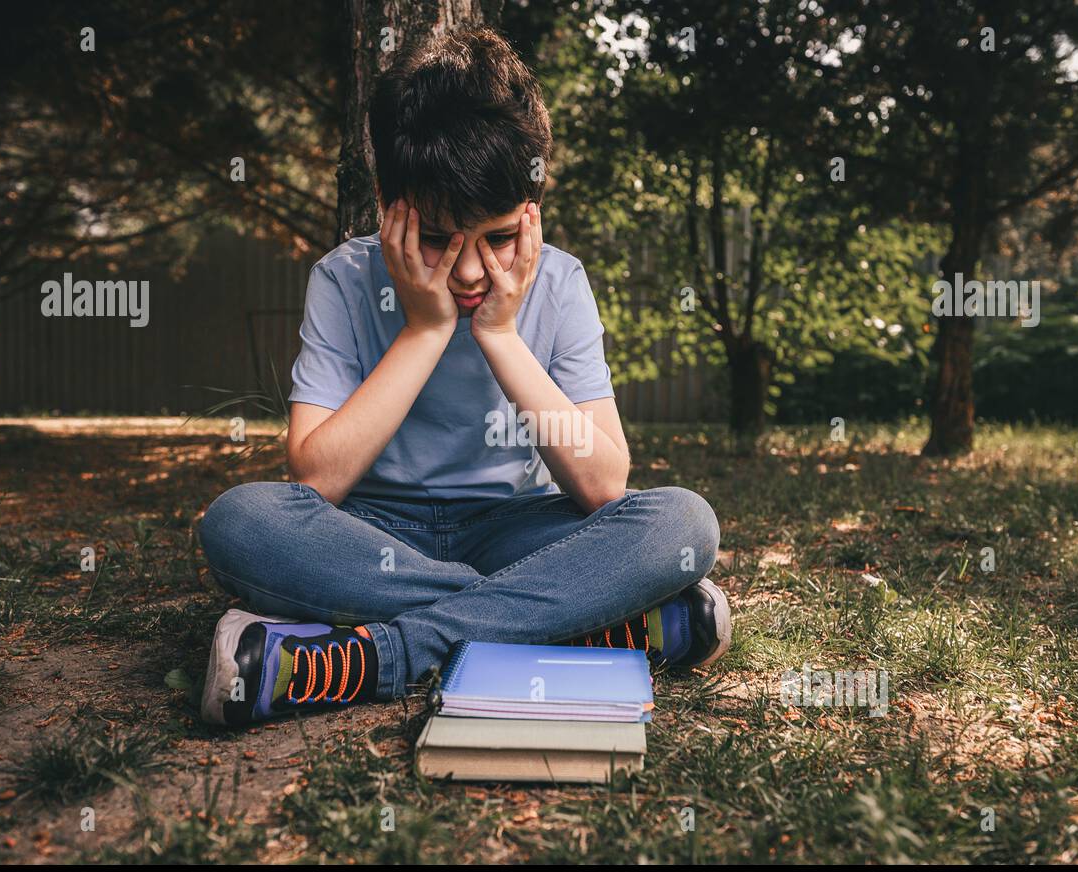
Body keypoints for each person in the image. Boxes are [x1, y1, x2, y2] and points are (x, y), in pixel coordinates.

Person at [197, 27, 729, 727]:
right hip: (372, 535)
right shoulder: (343, 279)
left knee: (682, 521)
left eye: (500, 238)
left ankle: (379, 654)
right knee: (240, 520)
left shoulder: (562, 283)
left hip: (515, 527)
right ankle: (568, 617)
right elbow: (317, 479)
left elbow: (603, 484)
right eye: (440, 238)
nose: (473, 271)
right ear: (390, 203)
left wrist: (501, 336)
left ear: (532, 209)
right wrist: (424, 330)